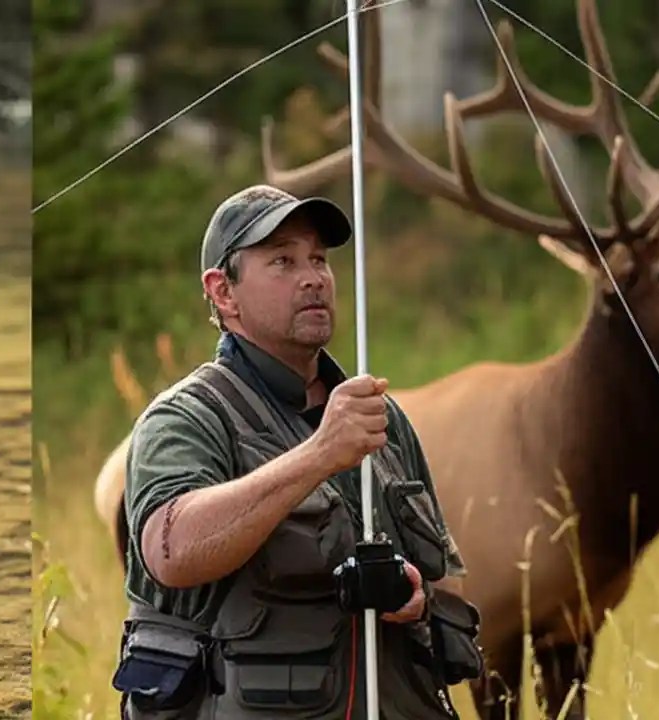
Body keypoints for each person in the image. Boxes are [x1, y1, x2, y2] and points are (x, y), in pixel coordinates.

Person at [110, 185, 484, 718]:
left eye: (319, 259)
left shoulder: (378, 414)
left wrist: (418, 597)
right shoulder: (187, 417)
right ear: (223, 291)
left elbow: (449, 576)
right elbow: (171, 551)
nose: (313, 277)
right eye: (282, 260)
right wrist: (319, 455)